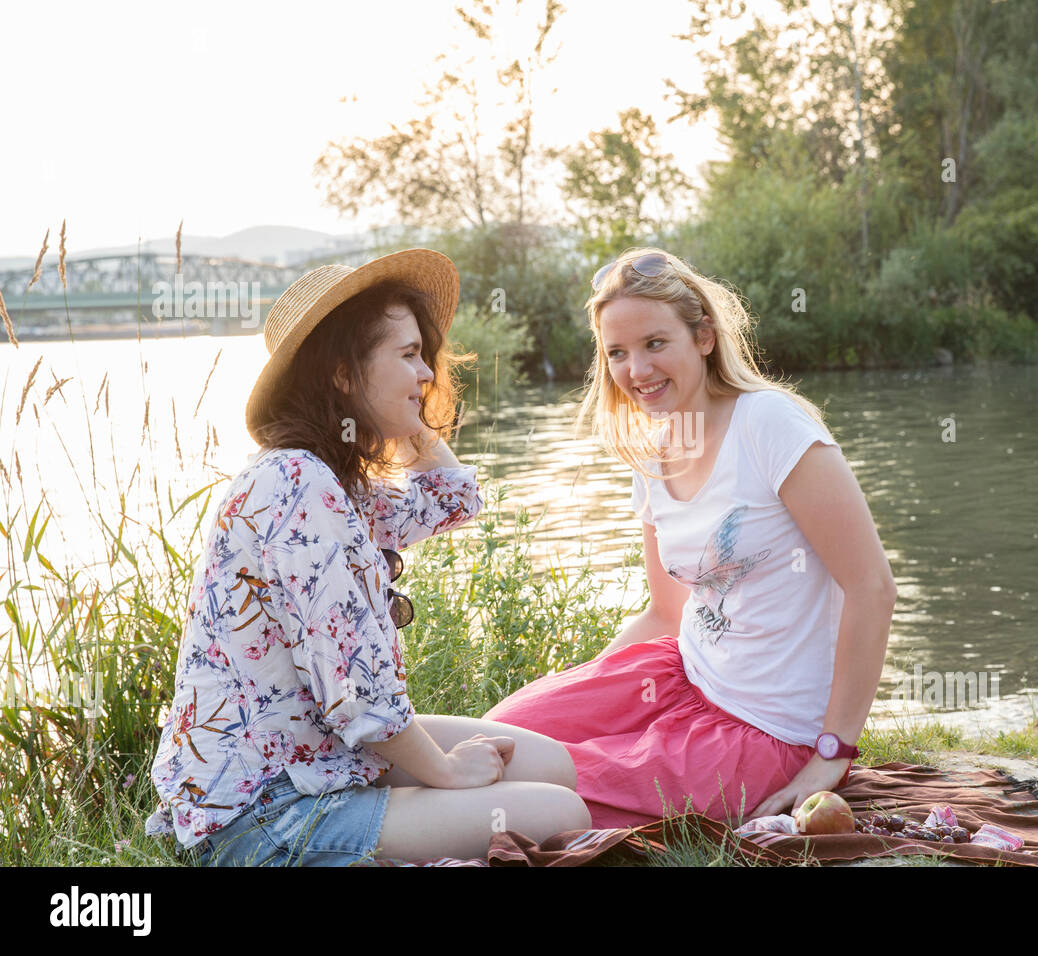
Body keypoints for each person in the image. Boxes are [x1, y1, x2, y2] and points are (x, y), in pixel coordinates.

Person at [145, 249, 590, 866]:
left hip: (319, 757)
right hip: (263, 811)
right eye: (407, 355)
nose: (429, 373)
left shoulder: (334, 481)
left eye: (423, 354)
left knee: (555, 765)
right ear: (342, 373)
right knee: (561, 812)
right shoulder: (294, 484)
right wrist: (446, 773)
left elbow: (450, 499)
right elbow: (357, 689)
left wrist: (409, 413)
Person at [483, 248, 896, 828]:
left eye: (655, 343)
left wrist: (832, 755)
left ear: (703, 336)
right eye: (618, 353)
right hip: (681, 676)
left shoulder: (770, 425)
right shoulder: (652, 451)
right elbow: (664, 613)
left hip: (766, 732)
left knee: (539, 791)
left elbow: (872, 588)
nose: (637, 371)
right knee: (495, 737)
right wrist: (584, 685)